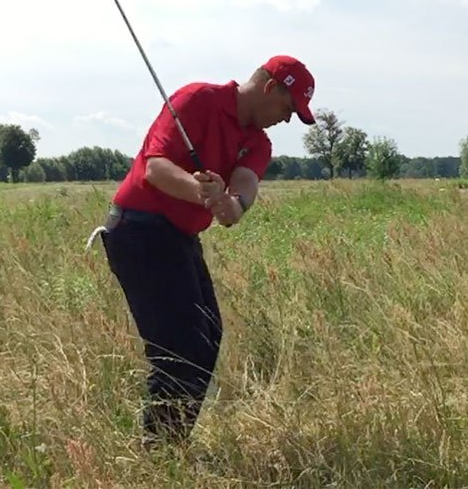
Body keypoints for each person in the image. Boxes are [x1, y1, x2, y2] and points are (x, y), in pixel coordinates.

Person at [89, 55, 317, 448]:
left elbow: (245, 182)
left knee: (207, 337)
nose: (287, 118)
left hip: (177, 237)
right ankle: (159, 455)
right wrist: (200, 192)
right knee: (181, 349)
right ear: (269, 88)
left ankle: (167, 447)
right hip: (138, 230)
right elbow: (154, 169)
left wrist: (234, 205)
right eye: (288, 107)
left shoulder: (258, 140)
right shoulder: (197, 100)